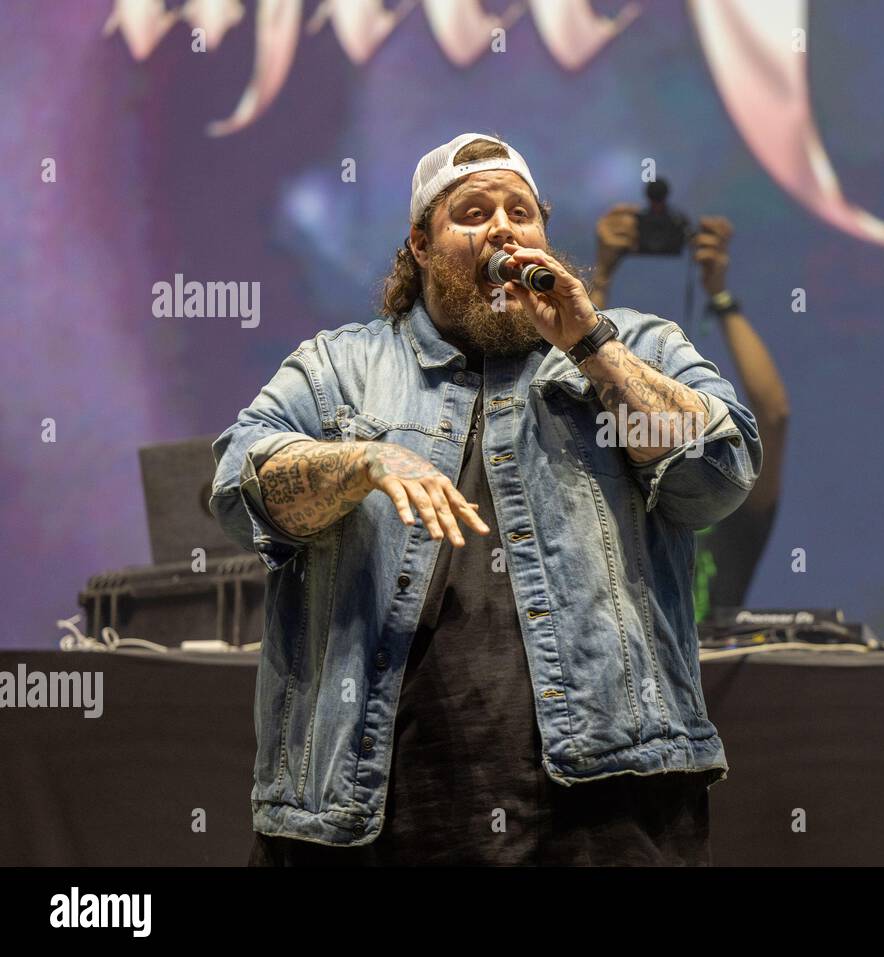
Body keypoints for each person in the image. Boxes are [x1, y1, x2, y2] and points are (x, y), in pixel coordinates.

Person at [209, 132, 762, 865]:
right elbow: (236, 484)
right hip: (372, 810)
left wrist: (592, 345)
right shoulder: (339, 368)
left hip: (604, 805)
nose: (503, 228)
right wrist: (360, 462)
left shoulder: (634, 345)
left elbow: (721, 472)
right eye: (473, 212)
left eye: (521, 212)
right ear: (420, 245)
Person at [589, 207, 787, 621]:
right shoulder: (613, 490)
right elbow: (574, 377)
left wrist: (720, 296)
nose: (658, 414)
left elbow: (772, 416)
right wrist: (600, 273)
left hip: (715, 669)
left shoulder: (730, 485)